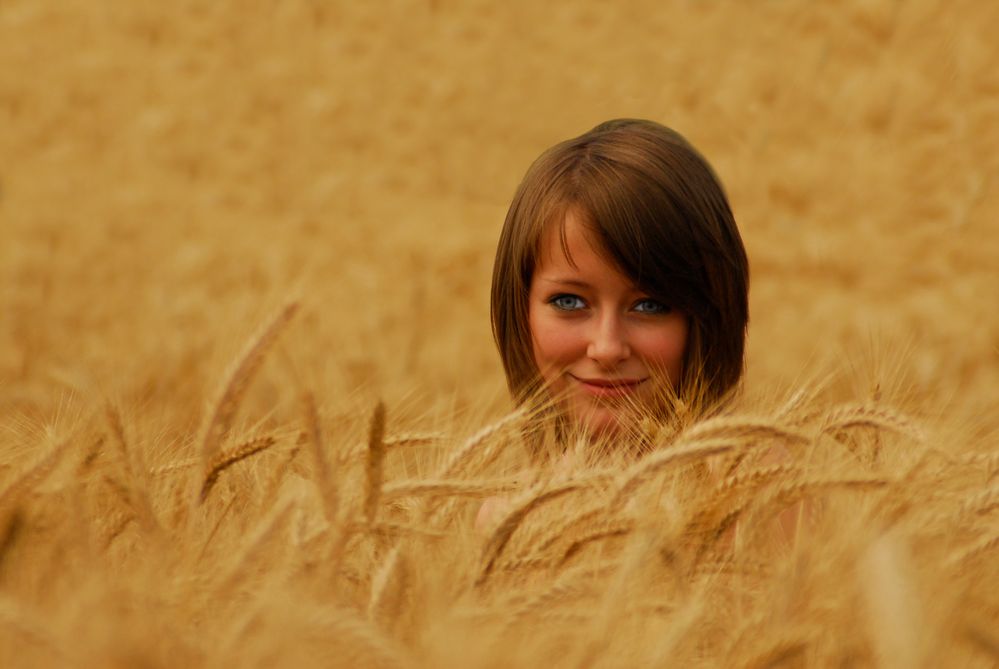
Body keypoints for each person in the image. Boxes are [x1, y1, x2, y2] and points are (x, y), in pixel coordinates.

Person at [490, 119, 749, 453]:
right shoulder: (507, 507)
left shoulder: (760, 494)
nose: (607, 348)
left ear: (710, 317)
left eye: (650, 305)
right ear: (519, 308)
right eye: (569, 302)